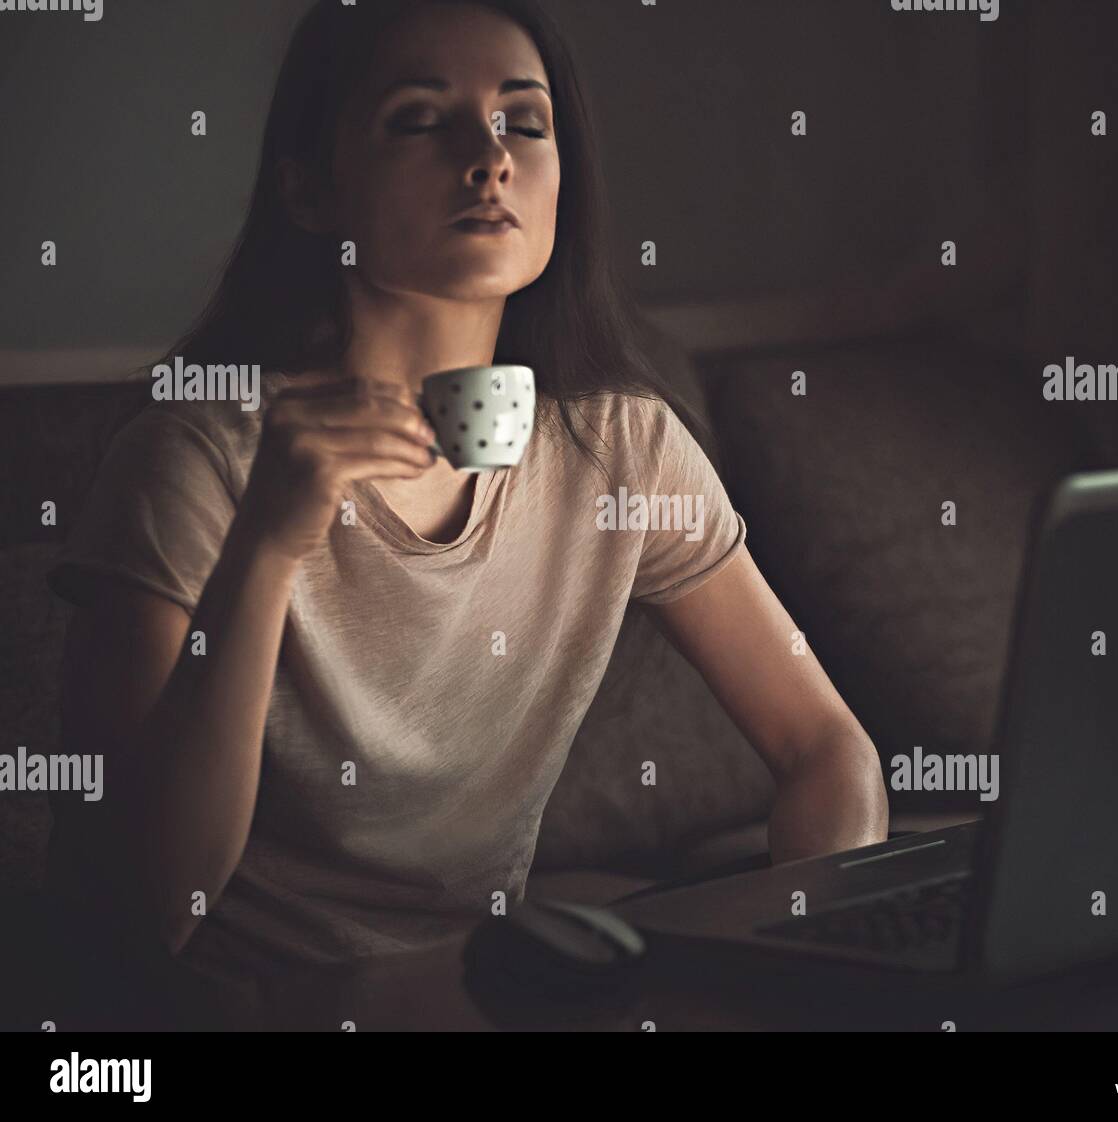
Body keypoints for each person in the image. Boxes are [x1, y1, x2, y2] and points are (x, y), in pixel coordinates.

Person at [46, 0, 888, 985]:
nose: (488, 157)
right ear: (311, 188)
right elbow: (138, 913)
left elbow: (830, 750)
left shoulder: (621, 450)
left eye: (522, 122)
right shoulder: (196, 460)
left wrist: (829, 966)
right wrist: (266, 549)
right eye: (418, 118)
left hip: (479, 996)